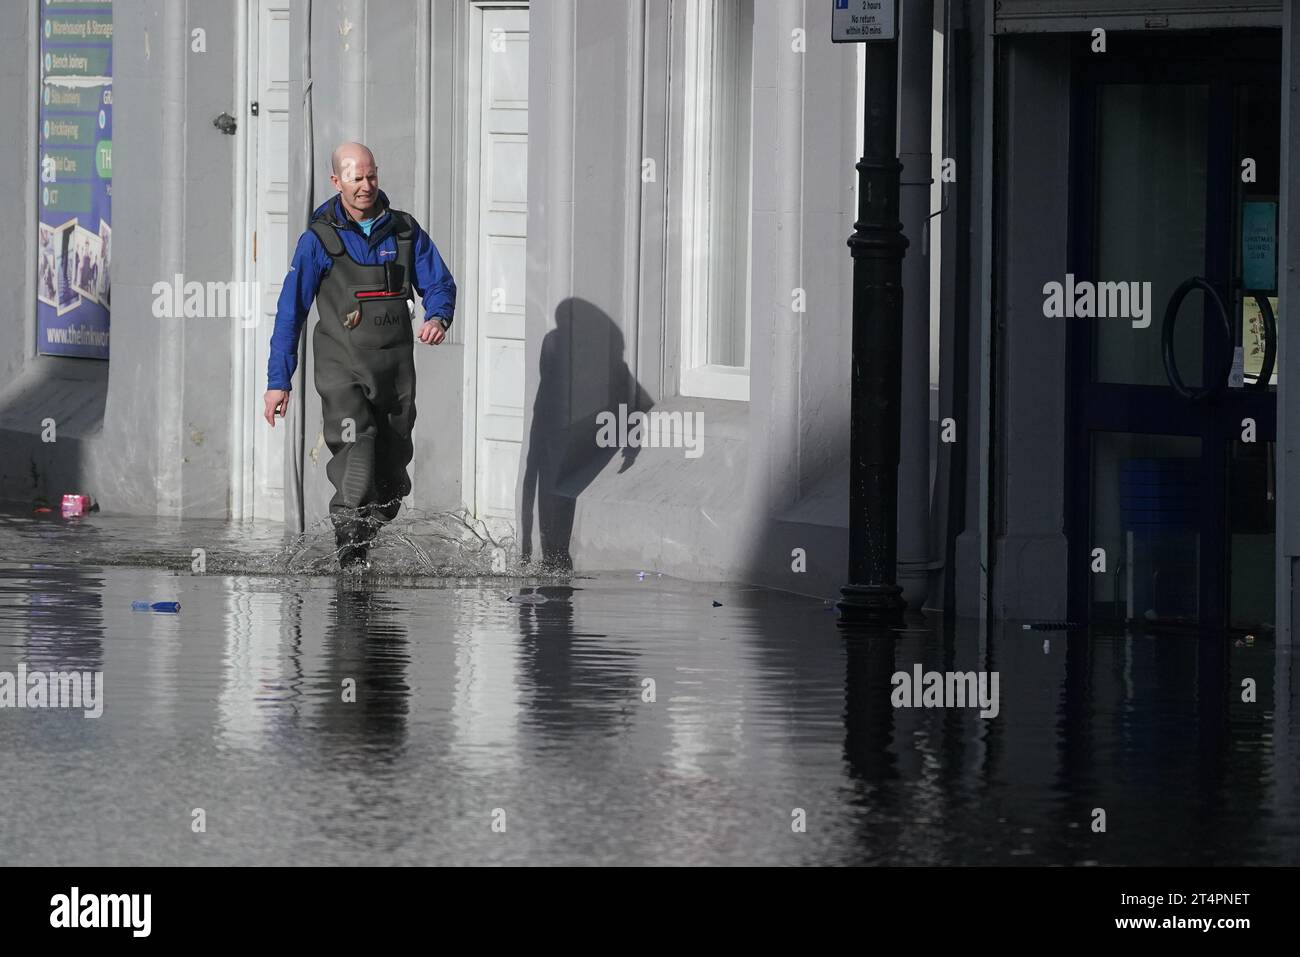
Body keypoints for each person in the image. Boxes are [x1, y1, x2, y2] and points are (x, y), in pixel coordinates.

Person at [263, 142, 457, 569]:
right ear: (337, 181)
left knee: (389, 485)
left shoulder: (404, 231)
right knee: (357, 448)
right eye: (355, 178)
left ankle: (364, 538)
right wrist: (279, 380)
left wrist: (439, 317)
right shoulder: (318, 241)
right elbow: (289, 312)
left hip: (395, 372)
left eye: (371, 176)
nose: (366, 186)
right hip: (342, 371)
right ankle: (349, 559)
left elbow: (440, 283)